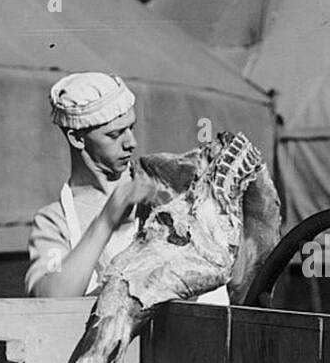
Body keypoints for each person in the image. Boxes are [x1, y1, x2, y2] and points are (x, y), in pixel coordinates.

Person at [26, 71, 228, 304]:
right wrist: (106, 221)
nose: (131, 142)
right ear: (77, 139)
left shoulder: (167, 183)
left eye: (131, 127)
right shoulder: (55, 220)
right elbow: (50, 299)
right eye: (114, 134)